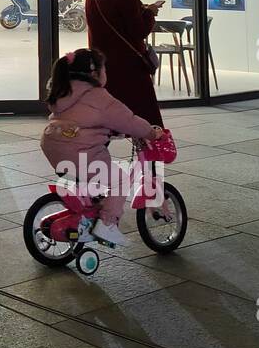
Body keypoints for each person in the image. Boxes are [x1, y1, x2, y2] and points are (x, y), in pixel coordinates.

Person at [41, 48, 166, 247]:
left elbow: (83, 119)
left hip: (54, 146)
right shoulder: (98, 96)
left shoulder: (64, 89)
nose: (106, 73)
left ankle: (86, 213)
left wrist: (107, 130)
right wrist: (151, 132)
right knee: (120, 181)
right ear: (94, 73)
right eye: (104, 69)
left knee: (91, 175)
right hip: (80, 151)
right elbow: (128, 120)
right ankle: (107, 225)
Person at [83, 0, 164, 126]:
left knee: (106, 118)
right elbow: (138, 31)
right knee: (144, 118)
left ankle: (92, 151)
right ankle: (152, 153)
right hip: (129, 66)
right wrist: (150, 13)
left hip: (102, 63)